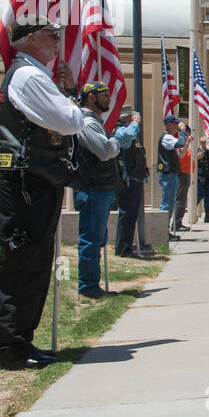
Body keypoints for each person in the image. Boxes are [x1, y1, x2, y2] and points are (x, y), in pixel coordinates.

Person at [0, 14, 85, 370]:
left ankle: (22, 343)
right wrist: (71, 100)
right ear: (29, 38)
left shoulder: (33, 74)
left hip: (32, 182)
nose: (57, 40)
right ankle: (13, 349)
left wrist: (67, 94)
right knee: (23, 265)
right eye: (51, 34)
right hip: (24, 184)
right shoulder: (29, 75)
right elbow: (70, 121)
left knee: (34, 265)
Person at [72, 81, 139, 298]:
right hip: (93, 187)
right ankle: (88, 287)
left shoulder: (96, 122)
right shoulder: (86, 122)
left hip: (101, 187)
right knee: (91, 238)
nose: (109, 99)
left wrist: (113, 140)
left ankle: (93, 284)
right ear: (91, 97)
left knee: (98, 237)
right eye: (104, 94)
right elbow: (104, 151)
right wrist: (116, 139)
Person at [113, 106, 150, 258]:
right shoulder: (120, 131)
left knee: (131, 215)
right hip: (127, 180)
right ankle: (123, 249)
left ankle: (127, 246)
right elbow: (127, 136)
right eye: (132, 116)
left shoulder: (130, 132)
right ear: (126, 117)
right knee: (126, 214)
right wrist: (135, 123)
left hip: (136, 178)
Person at [157, 116, 186, 218]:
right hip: (167, 174)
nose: (178, 126)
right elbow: (180, 143)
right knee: (167, 203)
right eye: (176, 124)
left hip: (171, 174)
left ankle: (166, 229)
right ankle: (163, 230)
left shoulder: (170, 137)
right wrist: (183, 131)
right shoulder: (167, 137)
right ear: (169, 125)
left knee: (170, 203)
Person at [172, 124, 192, 233]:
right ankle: (176, 224)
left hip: (186, 174)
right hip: (181, 174)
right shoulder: (179, 143)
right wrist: (187, 142)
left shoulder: (183, 144)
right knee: (180, 200)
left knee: (182, 200)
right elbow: (181, 155)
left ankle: (178, 222)